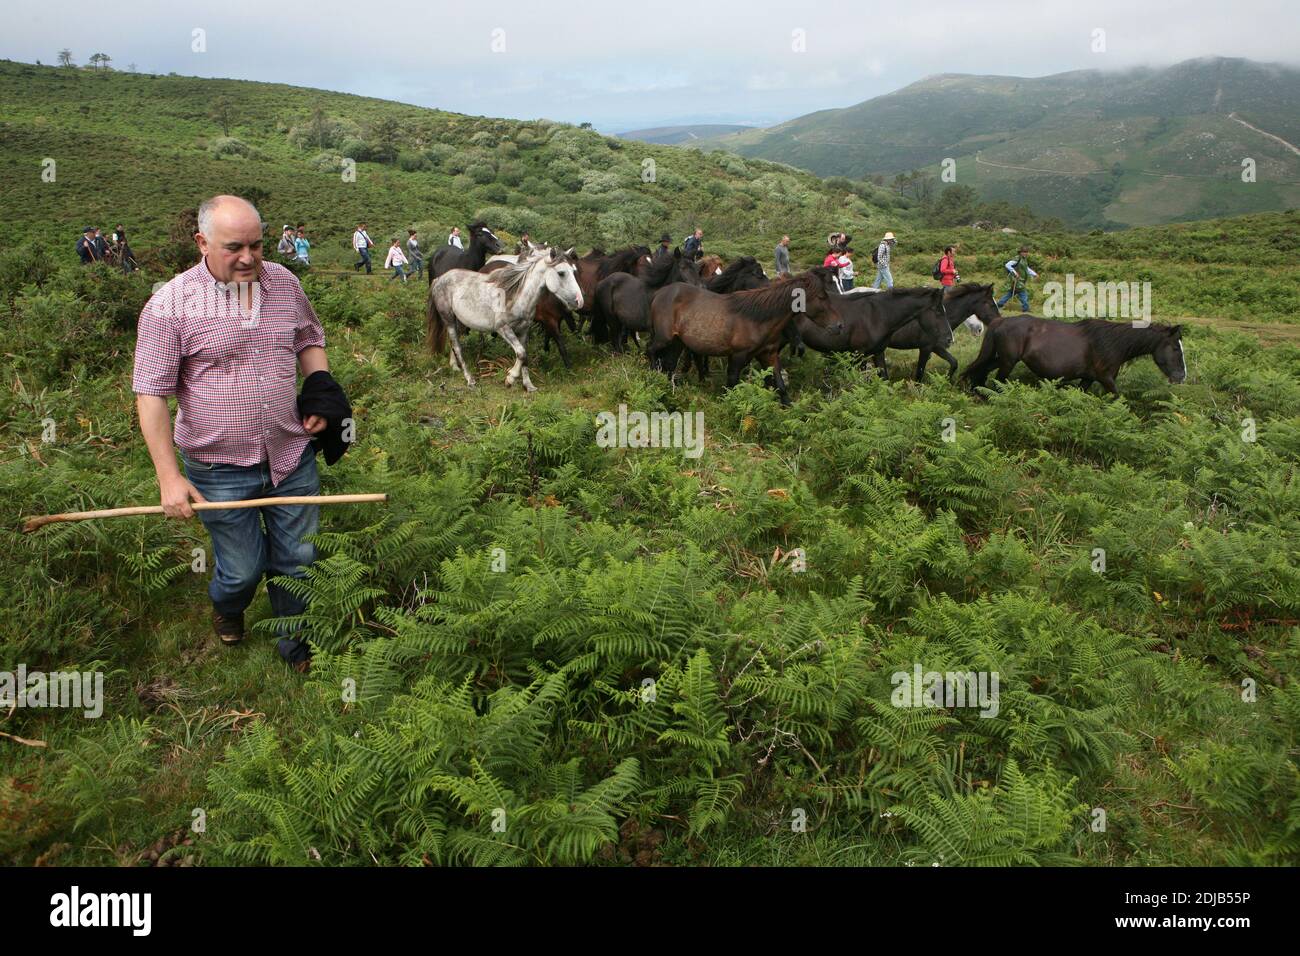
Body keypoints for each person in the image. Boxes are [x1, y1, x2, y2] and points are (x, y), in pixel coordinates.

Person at [132, 194, 337, 671]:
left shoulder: (284, 283)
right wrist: (168, 478)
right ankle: (229, 604)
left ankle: (295, 644)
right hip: (217, 467)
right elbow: (151, 393)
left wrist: (322, 394)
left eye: (257, 245)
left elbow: (309, 338)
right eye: (234, 247)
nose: (249, 258)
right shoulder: (170, 305)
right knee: (242, 569)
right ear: (202, 242)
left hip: (291, 454)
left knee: (298, 559)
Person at [996, 246, 1038, 313]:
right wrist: (1015, 273)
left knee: (1009, 294)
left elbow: (1026, 269)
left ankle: (999, 304)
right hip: (1016, 280)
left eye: (1026, 252)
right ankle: (1026, 309)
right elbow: (1007, 265)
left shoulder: (1024, 260)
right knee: (1023, 294)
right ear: (1020, 253)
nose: (1025, 253)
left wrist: (1034, 274)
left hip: (1020, 281)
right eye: (1024, 252)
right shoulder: (1017, 258)